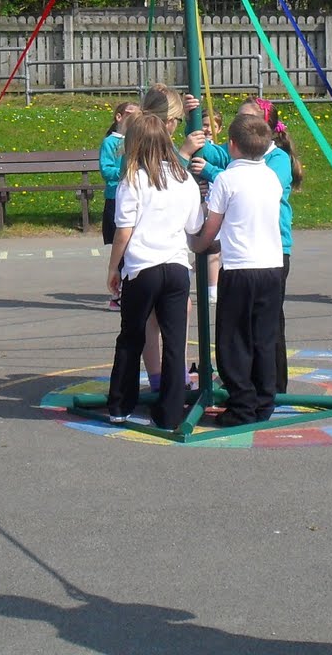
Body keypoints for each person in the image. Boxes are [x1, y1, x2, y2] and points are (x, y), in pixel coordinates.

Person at [193, 97, 303, 391]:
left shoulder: (275, 160)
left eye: (247, 119)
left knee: (267, 327)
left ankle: (272, 387)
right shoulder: (238, 156)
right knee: (244, 327)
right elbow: (208, 152)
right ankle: (253, 387)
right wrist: (193, 114)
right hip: (244, 253)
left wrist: (213, 173)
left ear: (264, 127)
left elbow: (257, 186)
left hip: (272, 249)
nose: (241, 124)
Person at [105, 112, 203, 428]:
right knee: (175, 342)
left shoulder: (133, 179)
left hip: (142, 269)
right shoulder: (184, 178)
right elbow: (194, 225)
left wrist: (113, 268)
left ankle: (121, 405)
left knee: (131, 337)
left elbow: (123, 231)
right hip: (176, 267)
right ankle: (171, 413)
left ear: (134, 144)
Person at [99, 101, 141, 311]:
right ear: (119, 117)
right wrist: (126, 171)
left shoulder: (137, 141)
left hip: (133, 195)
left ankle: (128, 289)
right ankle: (119, 293)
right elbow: (106, 170)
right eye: (129, 115)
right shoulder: (111, 143)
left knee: (132, 244)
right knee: (121, 244)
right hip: (116, 197)